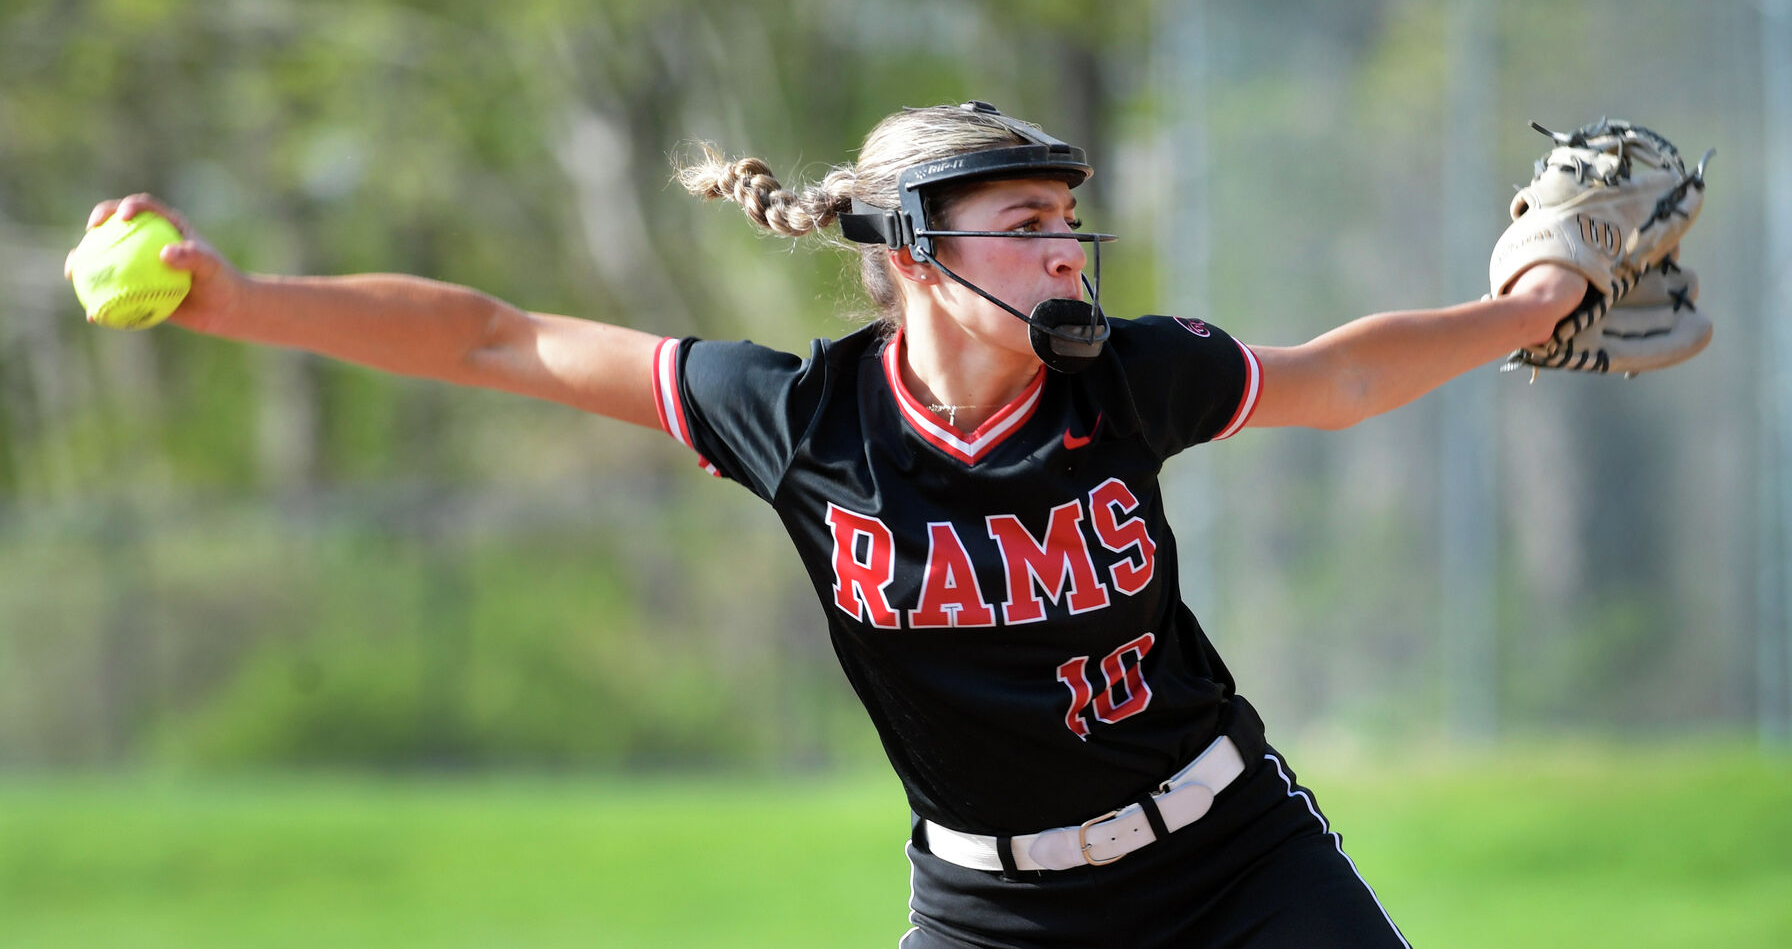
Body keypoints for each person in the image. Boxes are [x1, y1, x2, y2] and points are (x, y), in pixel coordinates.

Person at [75, 101, 1588, 947]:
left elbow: (1342, 377)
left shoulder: (1130, 377)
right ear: (914, 251)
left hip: (1231, 861)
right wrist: (238, 298)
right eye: (1025, 224)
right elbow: (493, 337)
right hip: (997, 911)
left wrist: (1532, 302)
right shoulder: (802, 419)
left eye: (1068, 219)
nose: (1066, 250)